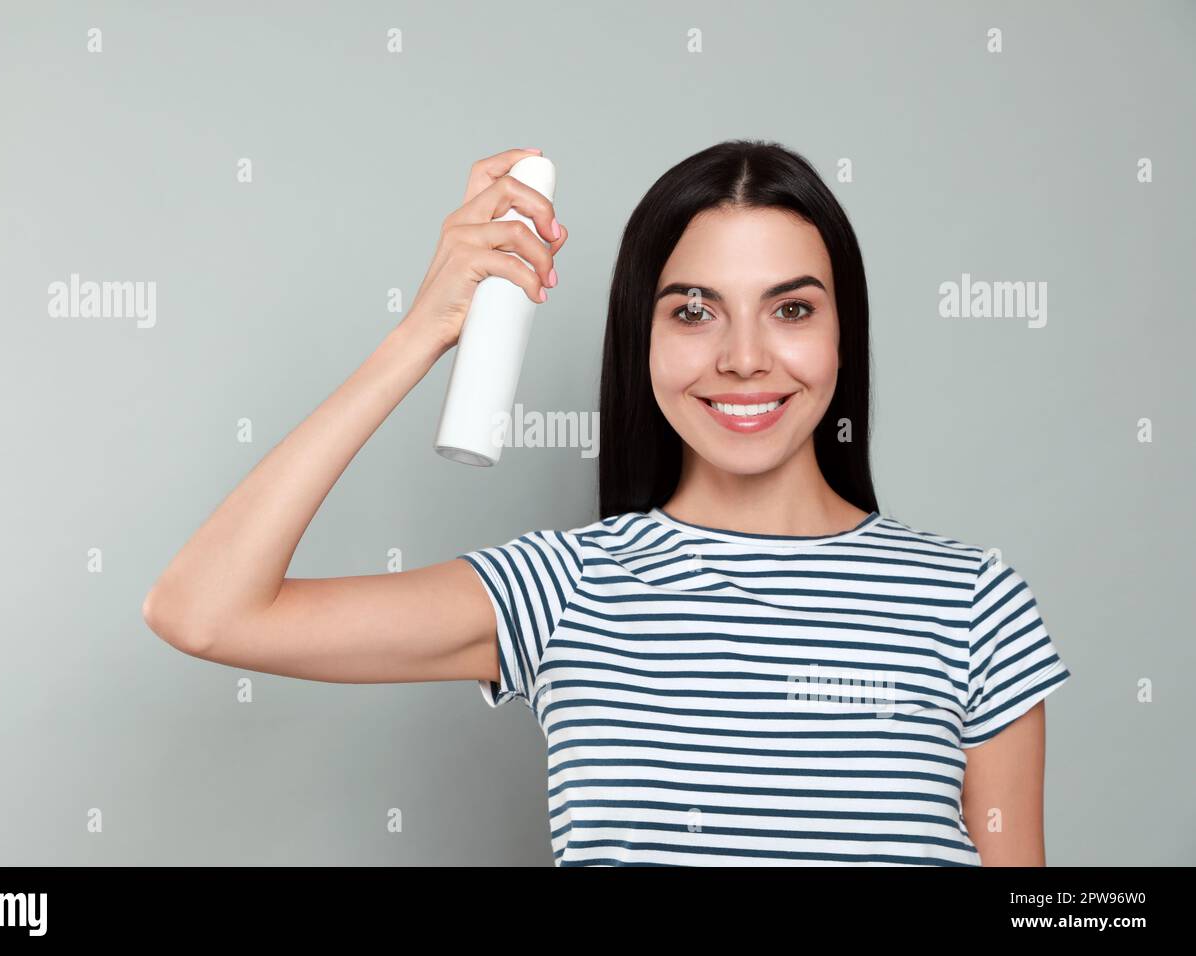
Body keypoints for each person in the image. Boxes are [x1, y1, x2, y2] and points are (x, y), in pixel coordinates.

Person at [142, 140, 1071, 867]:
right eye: (694, 311)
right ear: (642, 337)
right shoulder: (566, 590)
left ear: (842, 333)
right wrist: (428, 326)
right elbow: (204, 610)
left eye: (791, 309)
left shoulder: (970, 601)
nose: (744, 357)